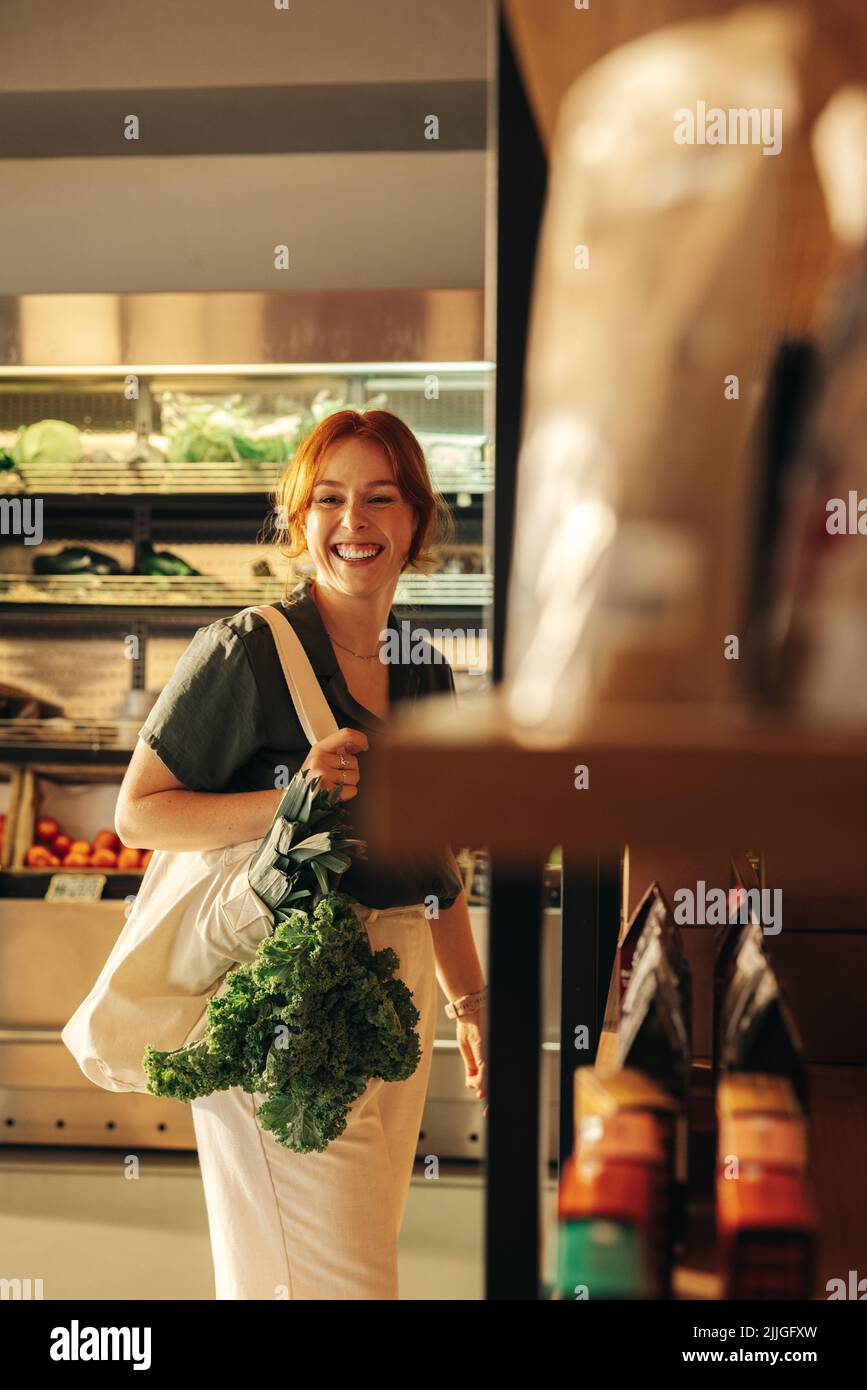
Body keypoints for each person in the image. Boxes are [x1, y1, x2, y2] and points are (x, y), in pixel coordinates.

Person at [114, 407, 488, 1299]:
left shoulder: (425, 669)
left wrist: (471, 998)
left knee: (318, 1273)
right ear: (298, 518)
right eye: (328, 498)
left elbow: (431, 862)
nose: (352, 521)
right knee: (335, 1282)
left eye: (378, 498)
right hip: (282, 1001)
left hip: (390, 1003)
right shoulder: (248, 651)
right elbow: (139, 814)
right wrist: (292, 799)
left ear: (416, 524)